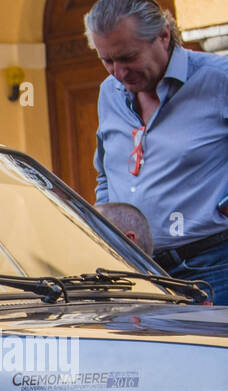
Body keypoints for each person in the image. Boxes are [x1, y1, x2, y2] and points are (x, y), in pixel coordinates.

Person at [88, 0, 228, 302]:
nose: (119, 73)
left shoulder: (219, 79)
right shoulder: (107, 94)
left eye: (128, 57)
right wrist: (107, 228)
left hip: (215, 267)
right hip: (136, 275)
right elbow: (107, 175)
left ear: (163, 36)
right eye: (107, 61)